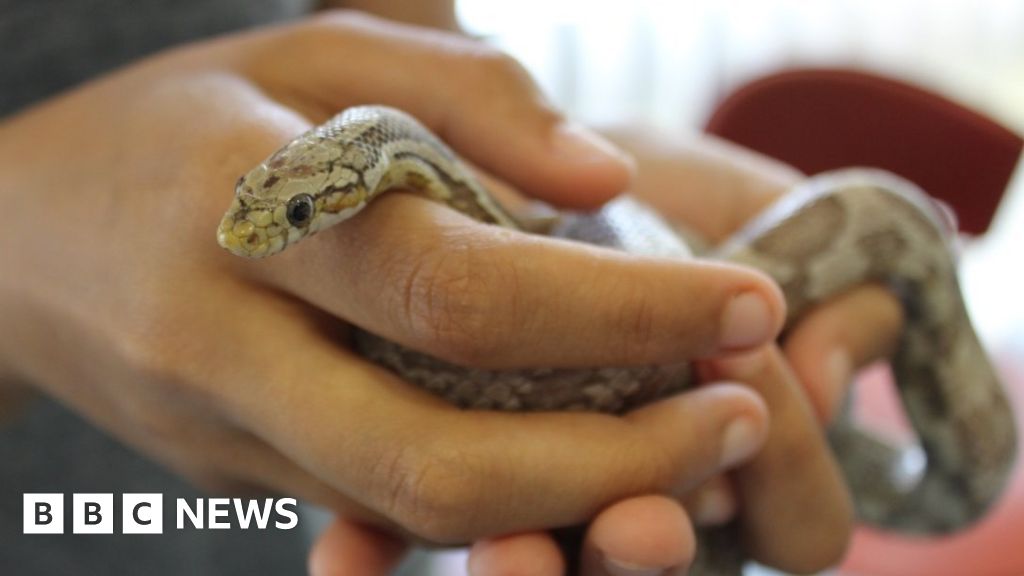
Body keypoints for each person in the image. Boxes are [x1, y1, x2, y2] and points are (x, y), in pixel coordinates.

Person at [0, 1, 905, 574]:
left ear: (360, 178)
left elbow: (406, 40)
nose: (256, 233)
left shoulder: (386, 155)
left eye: (300, 209)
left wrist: (552, 161)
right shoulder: (328, 176)